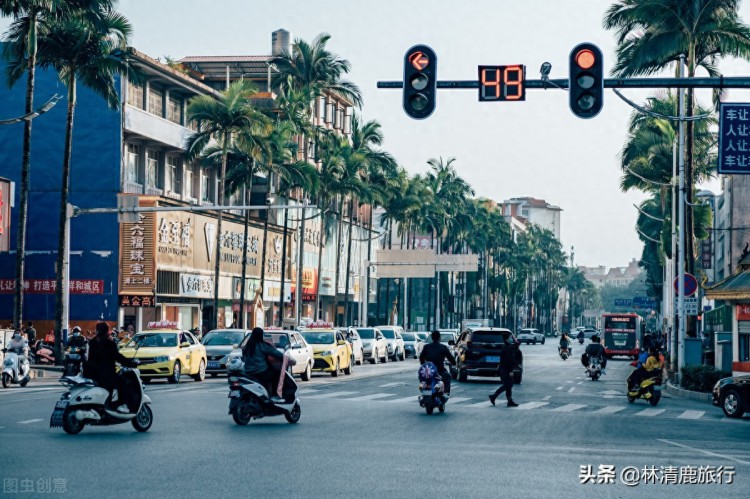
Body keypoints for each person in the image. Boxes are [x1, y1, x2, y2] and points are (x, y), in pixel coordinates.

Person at [84, 322, 139, 413]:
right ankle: (122, 404)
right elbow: (118, 357)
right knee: (123, 382)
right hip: (106, 376)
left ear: (97, 331)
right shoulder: (109, 343)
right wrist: (131, 363)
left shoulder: (92, 342)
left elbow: (90, 358)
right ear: (107, 331)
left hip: (92, 374)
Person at [242, 327, 293, 403]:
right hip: (261, 372)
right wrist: (287, 358)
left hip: (247, 372)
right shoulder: (263, 346)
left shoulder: (246, 347)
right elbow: (277, 354)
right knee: (277, 374)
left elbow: (244, 359)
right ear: (261, 335)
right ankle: (276, 395)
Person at [419, 330, 457, 396]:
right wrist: (454, 363)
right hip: (440, 370)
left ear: (432, 337)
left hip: (429, 371)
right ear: (439, 338)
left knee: (423, 378)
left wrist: (424, 363)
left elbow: (421, 358)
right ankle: (446, 393)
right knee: (448, 377)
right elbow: (451, 358)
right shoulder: (443, 347)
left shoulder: (426, 347)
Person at [489, 331, 519, 407]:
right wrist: (511, 370)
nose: (511, 339)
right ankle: (494, 396)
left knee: (509, 385)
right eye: (510, 338)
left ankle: (509, 401)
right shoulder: (506, 348)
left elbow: (516, 347)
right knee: (507, 385)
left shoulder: (508, 347)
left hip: (505, 369)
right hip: (506, 369)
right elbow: (508, 361)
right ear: (506, 339)